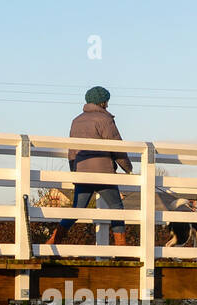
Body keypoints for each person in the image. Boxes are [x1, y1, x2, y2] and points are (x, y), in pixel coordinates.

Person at [49, 86, 134, 246]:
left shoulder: (76, 121)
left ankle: (53, 241)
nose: (108, 105)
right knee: (116, 208)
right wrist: (127, 168)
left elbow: (72, 150)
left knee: (77, 209)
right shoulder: (105, 120)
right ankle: (121, 248)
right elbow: (116, 146)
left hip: (82, 173)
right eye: (107, 101)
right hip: (103, 174)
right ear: (103, 102)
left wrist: (74, 171)